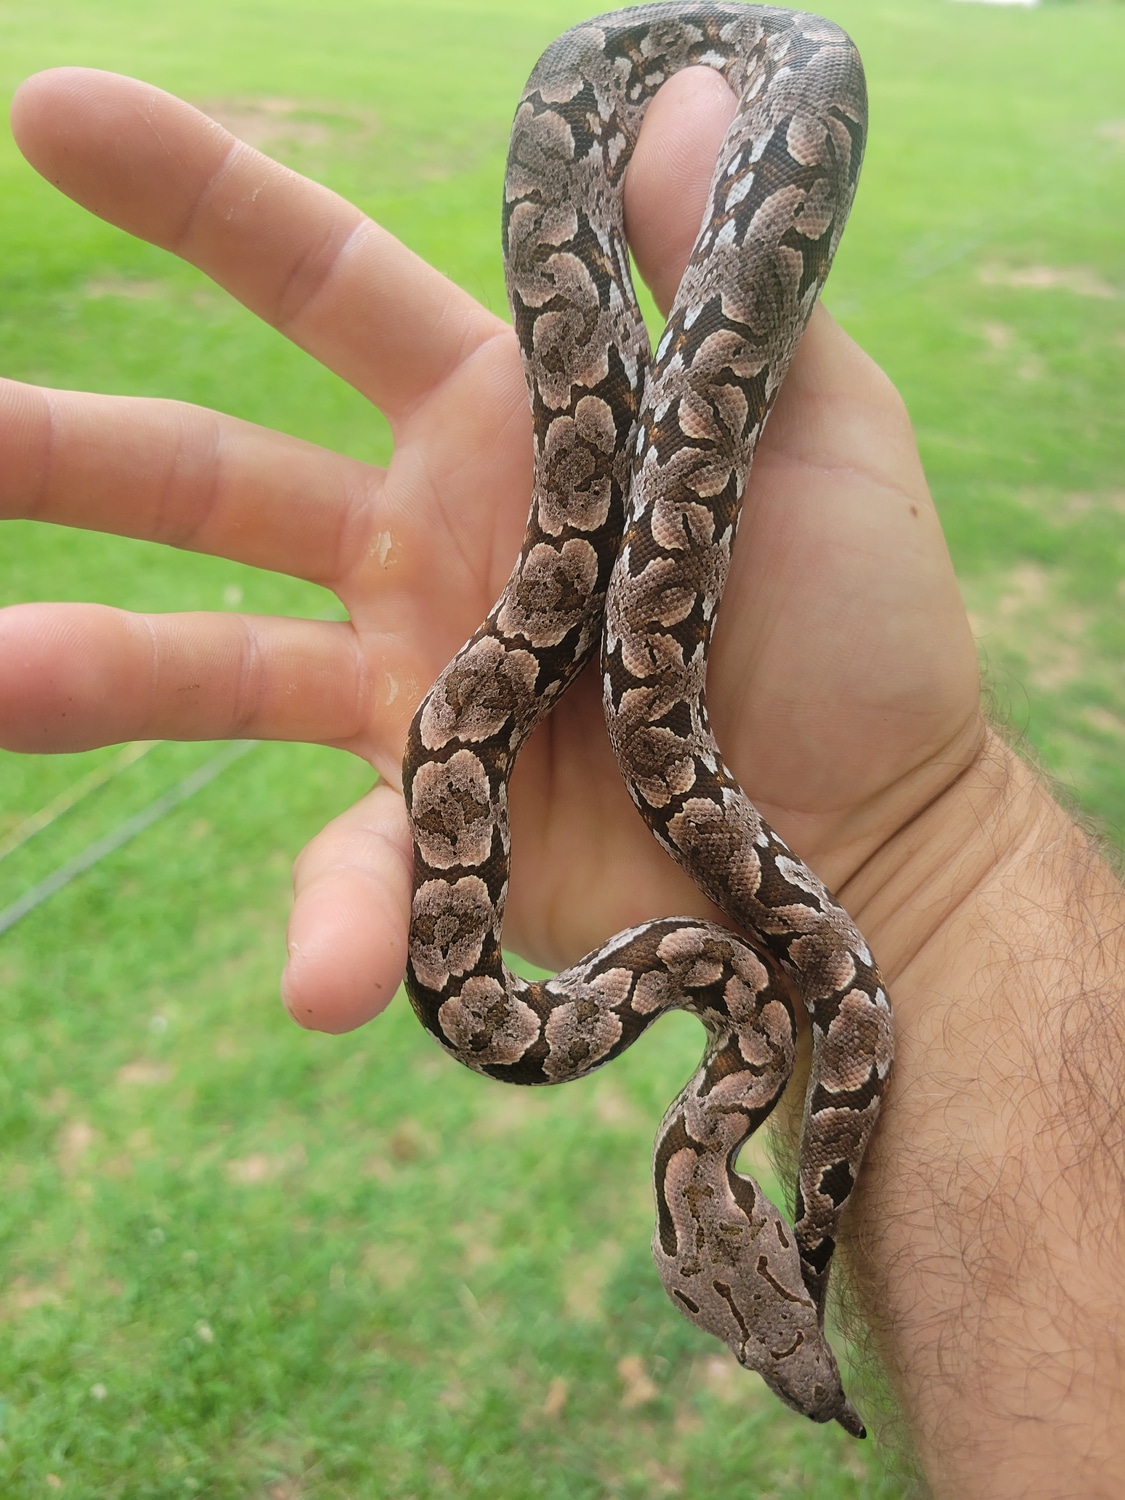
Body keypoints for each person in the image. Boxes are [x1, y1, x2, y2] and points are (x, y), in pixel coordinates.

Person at [1, 63, 1121, 1499]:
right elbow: (759, 995)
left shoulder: (703, 1014)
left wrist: (918, 848)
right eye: (780, 1297)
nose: (789, 1325)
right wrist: (918, 862)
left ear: (699, 1218)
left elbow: (757, 997)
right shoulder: (714, 1017)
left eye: (765, 1309)